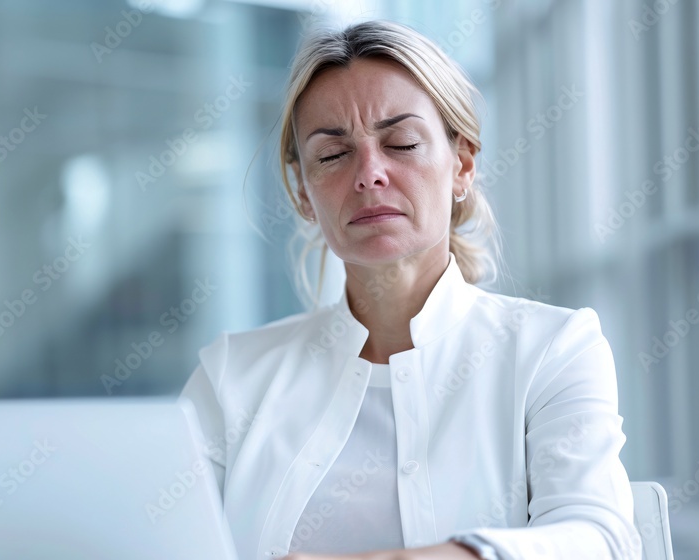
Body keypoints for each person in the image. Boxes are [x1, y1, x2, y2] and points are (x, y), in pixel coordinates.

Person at [179, 19, 640, 560]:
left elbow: (600, 540)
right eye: (332, 155)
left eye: (401, 143)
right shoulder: (233, 375)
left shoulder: (553, 349)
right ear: (304, 192)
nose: (369, 174)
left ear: (462, 165)